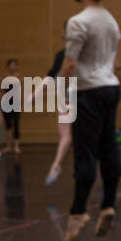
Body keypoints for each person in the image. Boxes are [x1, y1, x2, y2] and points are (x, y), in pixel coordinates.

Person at [61, 0, 121, 241]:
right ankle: (109, 204)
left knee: (84, 151)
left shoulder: (78, 21)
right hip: (110, 87)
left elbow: (70, 63)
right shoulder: (111, 20)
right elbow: (111, 59)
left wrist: (63, 89)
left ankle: (78, 211)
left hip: (88, 91)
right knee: (108, 146)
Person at [45, 26, 71, 185]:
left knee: (68, 134)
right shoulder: (61, 55)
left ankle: (56, 165)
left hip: (84, 97)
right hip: (66, 97)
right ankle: (57, 164)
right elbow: (50, 75)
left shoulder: (85, 53)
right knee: (64, 134)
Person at [1, 58, 22, 154]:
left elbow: (21, 92)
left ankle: (16, 145)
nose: (13, 67)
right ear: (8, 66)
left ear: (16, 66)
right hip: (6, 103)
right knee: (8, 125)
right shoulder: (5, 77)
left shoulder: (20, 77)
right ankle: (9, 145)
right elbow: (3, 91)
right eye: (11, 65)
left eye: (14, 65)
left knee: (16, 124)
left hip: (16, 103)